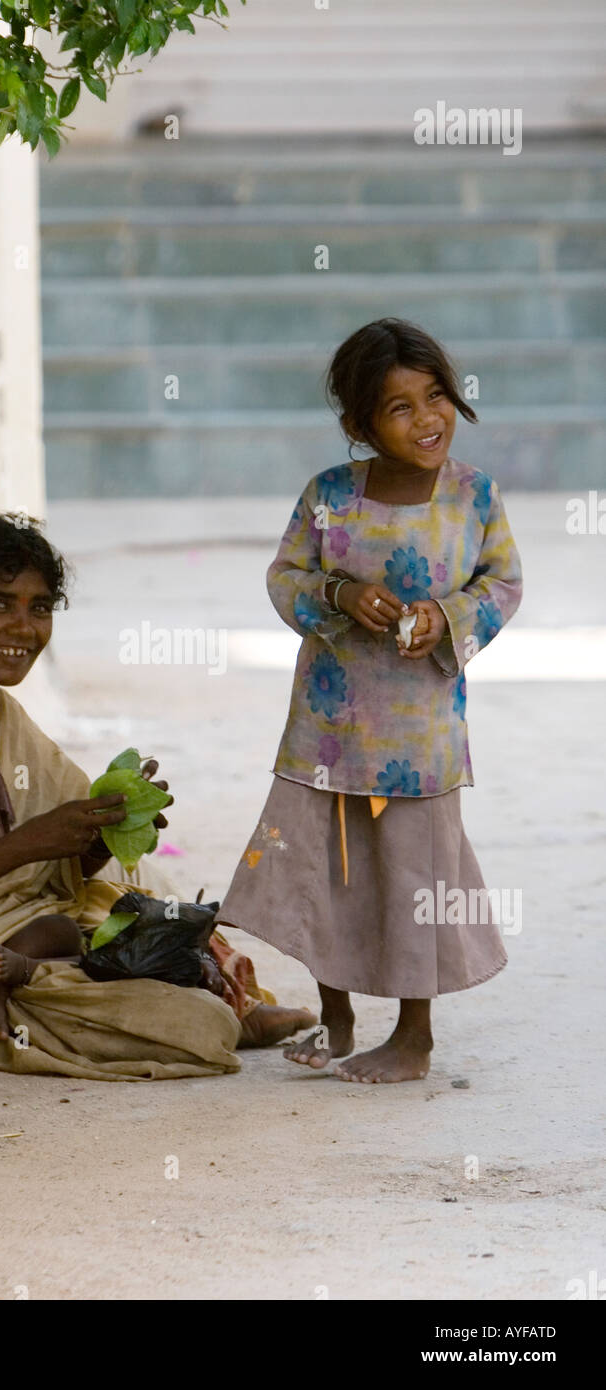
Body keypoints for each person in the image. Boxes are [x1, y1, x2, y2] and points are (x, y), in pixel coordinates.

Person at [0, 513, 315, 1082]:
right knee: (193, 1025)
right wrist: (27, 846)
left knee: (141, 891)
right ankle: (216, 1009)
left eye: (39, 608)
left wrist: (103, 833)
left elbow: (52, 876)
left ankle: (236, 1000)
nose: (23, 628)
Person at [217, 318, 523, 1083]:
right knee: (329, 868)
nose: (427, 420)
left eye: (436, 397)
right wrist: (341, 594)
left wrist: (445, 618)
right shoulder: (328, 498)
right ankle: (340, 1016)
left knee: (415, 876)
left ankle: (414, 1037)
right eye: (400, 408)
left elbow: (503, 583)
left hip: (420, 737)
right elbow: (287, 577)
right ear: (359, 424)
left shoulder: (473, 496)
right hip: (327, 728)